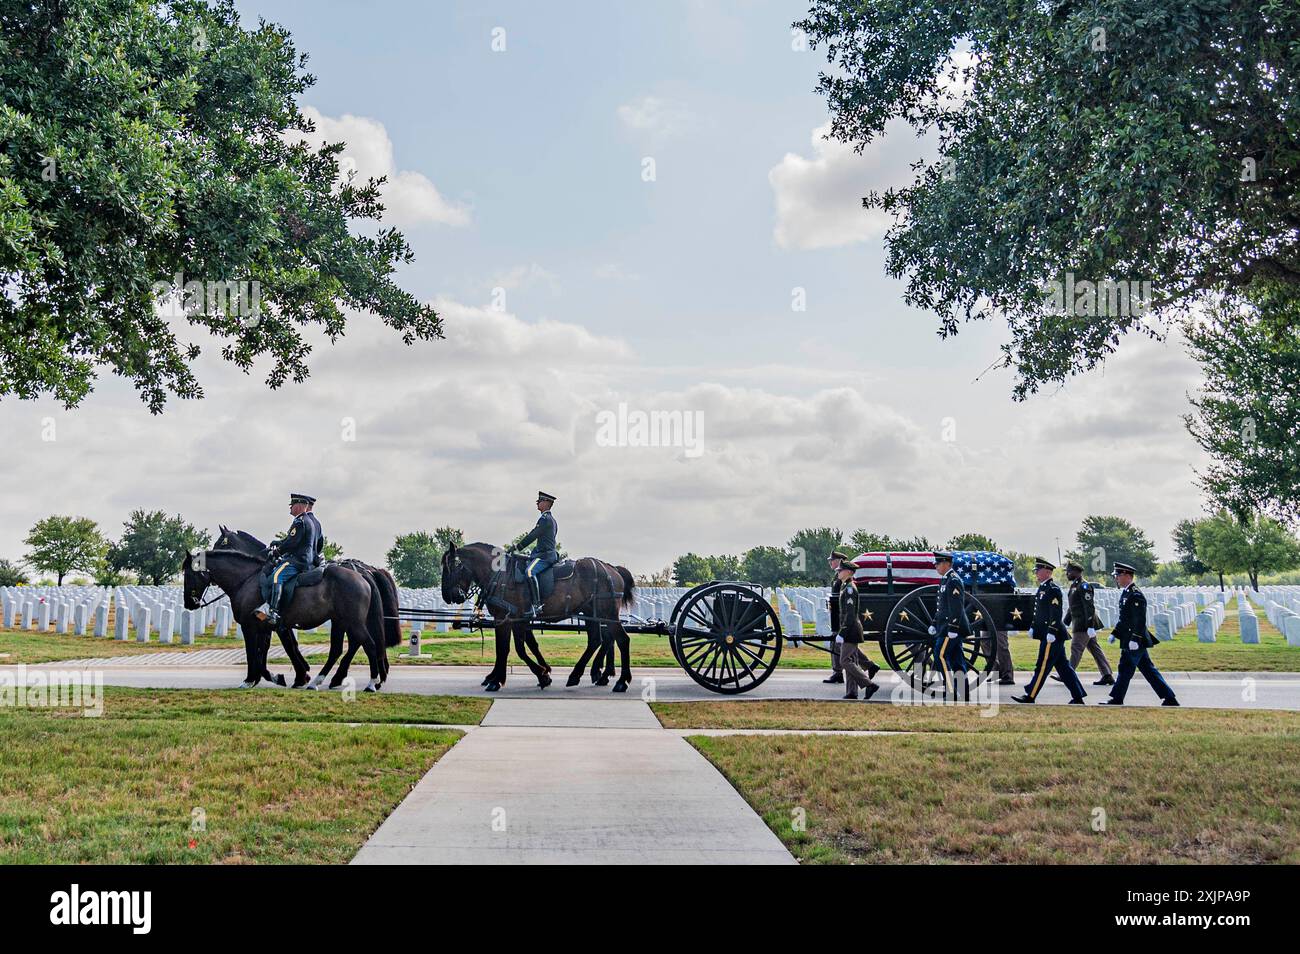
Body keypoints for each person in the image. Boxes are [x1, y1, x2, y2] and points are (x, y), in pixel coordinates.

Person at [1105, 562, 1179, 707]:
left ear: (1127, 575)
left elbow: (1139, 620)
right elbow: (1124, 619)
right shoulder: (1127, 593)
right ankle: (1169, 698)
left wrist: (1135, 639)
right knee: (1149, 670)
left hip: (1135, 640)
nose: (1116, 579)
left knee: (1125, 669)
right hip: (1129, 638)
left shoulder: (1136, 595)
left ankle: (1117, 698)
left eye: (1118, 575)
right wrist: (1115, 633)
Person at [1013, 558, 1086, 704]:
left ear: (1047, 572)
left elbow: (1055, 613)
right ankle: (1078, 696)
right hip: (1047, 634)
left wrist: (1051, 631)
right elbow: (1038, 611)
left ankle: (1031, 695)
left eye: (1038, 571)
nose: (1036, 573)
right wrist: (1034, 626)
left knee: (1042, 666)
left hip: (1053, 635)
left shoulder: (1053, 589)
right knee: (1064, 667)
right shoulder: (1043, 588)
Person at [256, 492, 322, 623]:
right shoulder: (308, 521)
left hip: (297, 561)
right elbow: (295, 540)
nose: (290, 508)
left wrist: (277, 552)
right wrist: (280, 543)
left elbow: (292, 543)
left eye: (292, 505)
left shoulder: (300, 521)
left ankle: (273, 612)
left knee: (276, 576)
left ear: (298, 506)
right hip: (305, 559)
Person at [1058, 559, 1115, 686]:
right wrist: (1065, 622)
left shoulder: (1084, 586)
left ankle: (1067, 674)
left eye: (1068, 572)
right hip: (1079, 622)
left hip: (1084, 624)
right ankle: (1107, 675)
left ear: (1076, 572)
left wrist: (1090, 626)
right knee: (1095, 649)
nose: (1067, 574)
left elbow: (1089, 607)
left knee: (1076, 648)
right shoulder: (1074, 586)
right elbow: (1073, 607)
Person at [834, 562, 879, 700]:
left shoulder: (850, 589)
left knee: (845, 660)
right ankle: (852, 692)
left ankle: (869, 684)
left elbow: (850, 615)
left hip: (851, 630)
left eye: (841, 570)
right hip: (850, 630)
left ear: (849, 572)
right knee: (851, 660)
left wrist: (842, 633)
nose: (838, 572)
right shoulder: (845, 586)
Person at [929, 551, 970, 701]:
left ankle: (951, 690)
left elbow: (956, 607)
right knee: (957, 659)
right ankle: (964, 693)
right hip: (945, 626)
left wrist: (953, 628)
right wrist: (934, 623)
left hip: (950, 628)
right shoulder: (945, 580)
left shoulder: (953, 580)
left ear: (947, 563)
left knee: (939, 655)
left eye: (938, 563)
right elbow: (942, 607)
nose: (936, 566)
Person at [517, 491, 559, 617]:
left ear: (546, 503)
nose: (537, 502)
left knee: (529, 572)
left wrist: (517, 547)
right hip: (544, 554)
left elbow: (533, 535)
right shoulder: (551, 520)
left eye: (540, 500)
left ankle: (537, 605)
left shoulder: (545, 519)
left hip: (545, 557)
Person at [824, 550, 849, 684]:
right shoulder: (837, 576)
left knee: (840, 644)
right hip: (837, 615)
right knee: (835, 644)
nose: (830, 563)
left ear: (839, 561)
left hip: (841, 616)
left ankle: (868, 665)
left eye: (832, 560)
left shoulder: (843, 577)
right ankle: (837, 672)